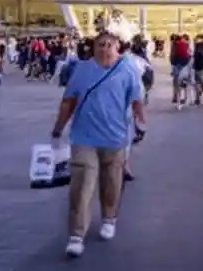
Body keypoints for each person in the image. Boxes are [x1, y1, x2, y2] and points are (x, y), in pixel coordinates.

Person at [51, 31, 146, 257]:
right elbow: (68, 101)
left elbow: (136, 99)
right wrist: (58, 127)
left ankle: (109, 217)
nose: (104, 49)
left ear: (117, 48)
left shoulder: (128, 70)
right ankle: (76, 234)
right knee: (82, 183)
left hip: (115, 138)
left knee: (111, 182)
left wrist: (141, 121)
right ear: (93, 48)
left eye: (109, 45)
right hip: (84, 137)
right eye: (100, 45)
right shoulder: (82, 70)